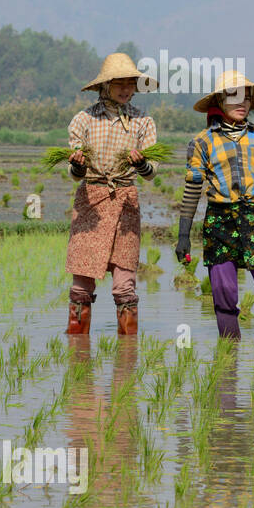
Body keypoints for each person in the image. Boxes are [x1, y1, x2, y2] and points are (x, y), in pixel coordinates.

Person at [175, 71, 254, 340]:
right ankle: (228, 366)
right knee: (224, 295)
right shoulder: (203, 141)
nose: (241, 102)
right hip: (220, 223)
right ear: (220, 101)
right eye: (233, 97)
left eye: (246, 97)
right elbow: (192, 189)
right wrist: (183, 236)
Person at [65, 53, 160, 336]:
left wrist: (141, 164)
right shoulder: (83, 120)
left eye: (130, 83)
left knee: (124, 283)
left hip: (125, 201)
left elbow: (152, 171)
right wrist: (78, 165)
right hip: (91, 204)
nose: (125, 88)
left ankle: (127, 354)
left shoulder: (143, 121)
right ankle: (78, 347)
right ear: (105, 85)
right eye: (119, 82)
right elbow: (73, 174)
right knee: (82, 282)